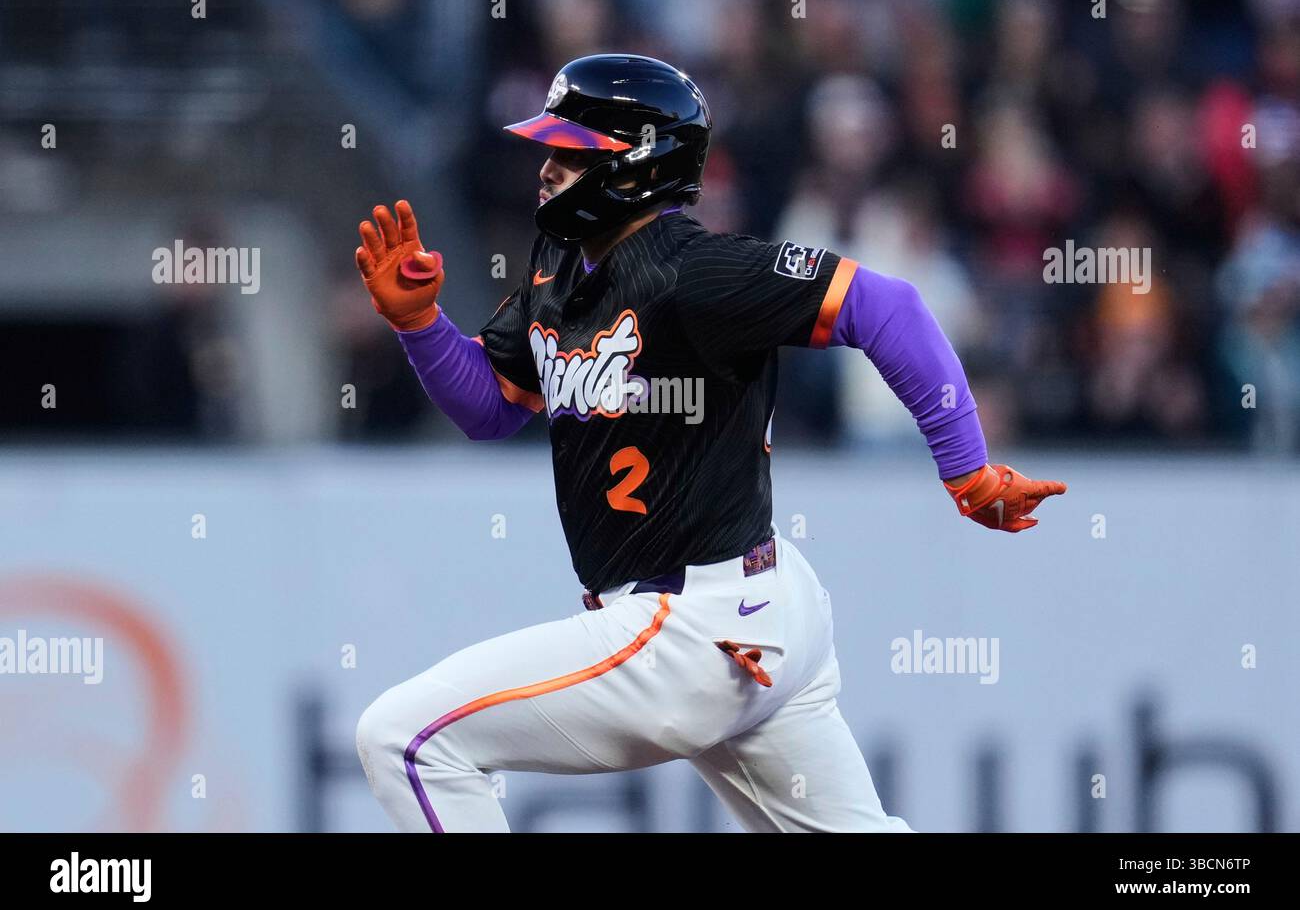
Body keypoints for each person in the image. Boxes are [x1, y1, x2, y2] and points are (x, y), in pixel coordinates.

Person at [352, 54, 1066, 832]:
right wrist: (419, 325)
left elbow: (888, 306)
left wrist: (967, 472)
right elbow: (491, 408)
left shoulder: (698, 273)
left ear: (636, 163)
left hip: (692, 628)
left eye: (571, 151)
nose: (548, 169)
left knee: (402, 740)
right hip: (753, 611)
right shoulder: (562, 264)